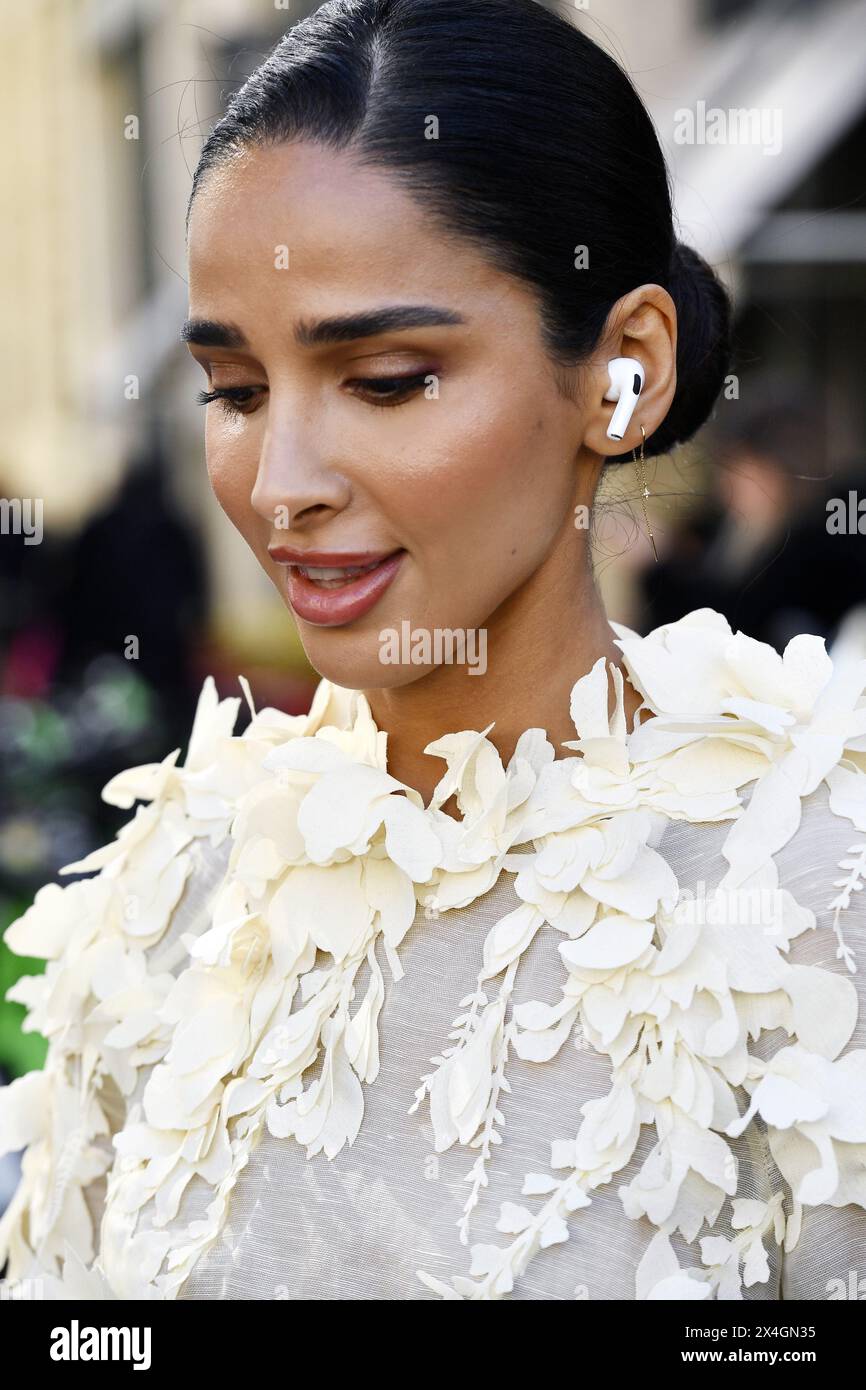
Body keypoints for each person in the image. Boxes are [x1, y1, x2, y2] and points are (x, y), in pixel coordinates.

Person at [1, 0, 865, 1302]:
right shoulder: (165, 896)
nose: (279, 481)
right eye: (234, 391)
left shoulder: (818, 898)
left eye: (389, 377)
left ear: (621, 373)